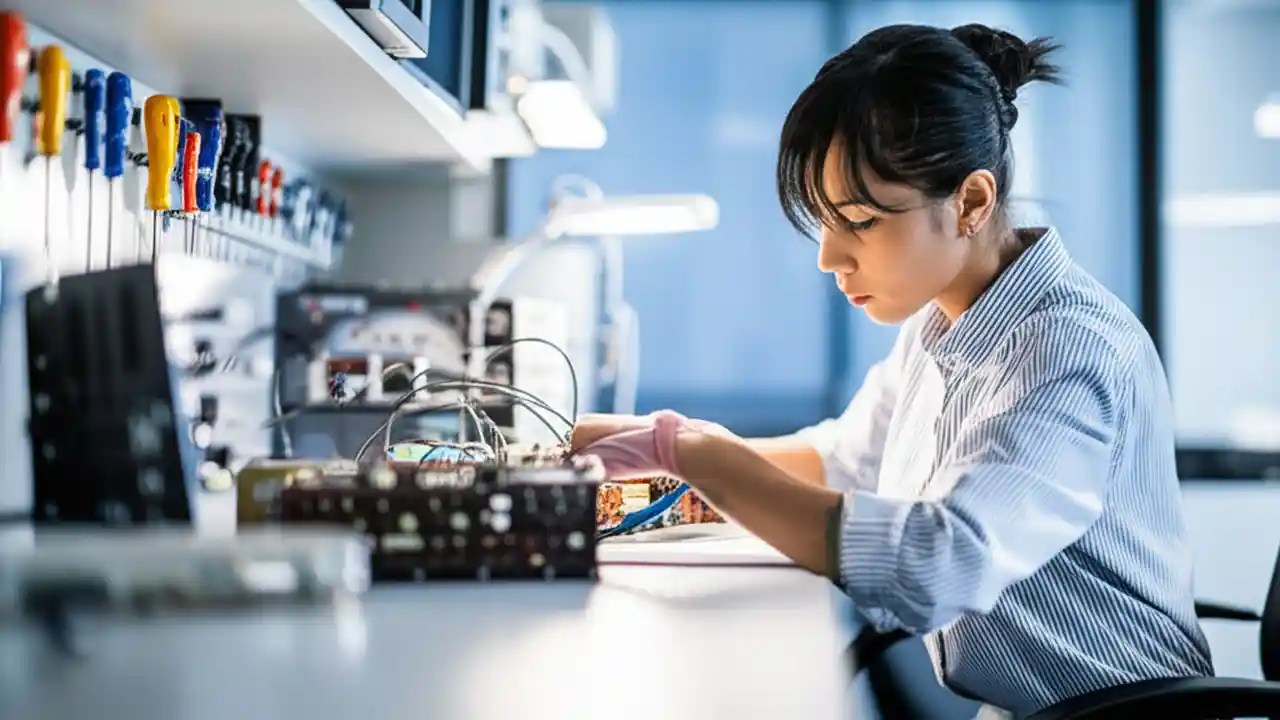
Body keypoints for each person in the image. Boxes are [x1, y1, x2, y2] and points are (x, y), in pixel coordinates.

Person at [569, 22, 1214, 720]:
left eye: (861, 221)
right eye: (823, 219)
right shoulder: (943, 323)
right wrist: (670, 448)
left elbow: (936, 564)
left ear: (970, 202)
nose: (829, 257)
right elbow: (841, 461)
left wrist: (691, 453)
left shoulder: (1070, 351)